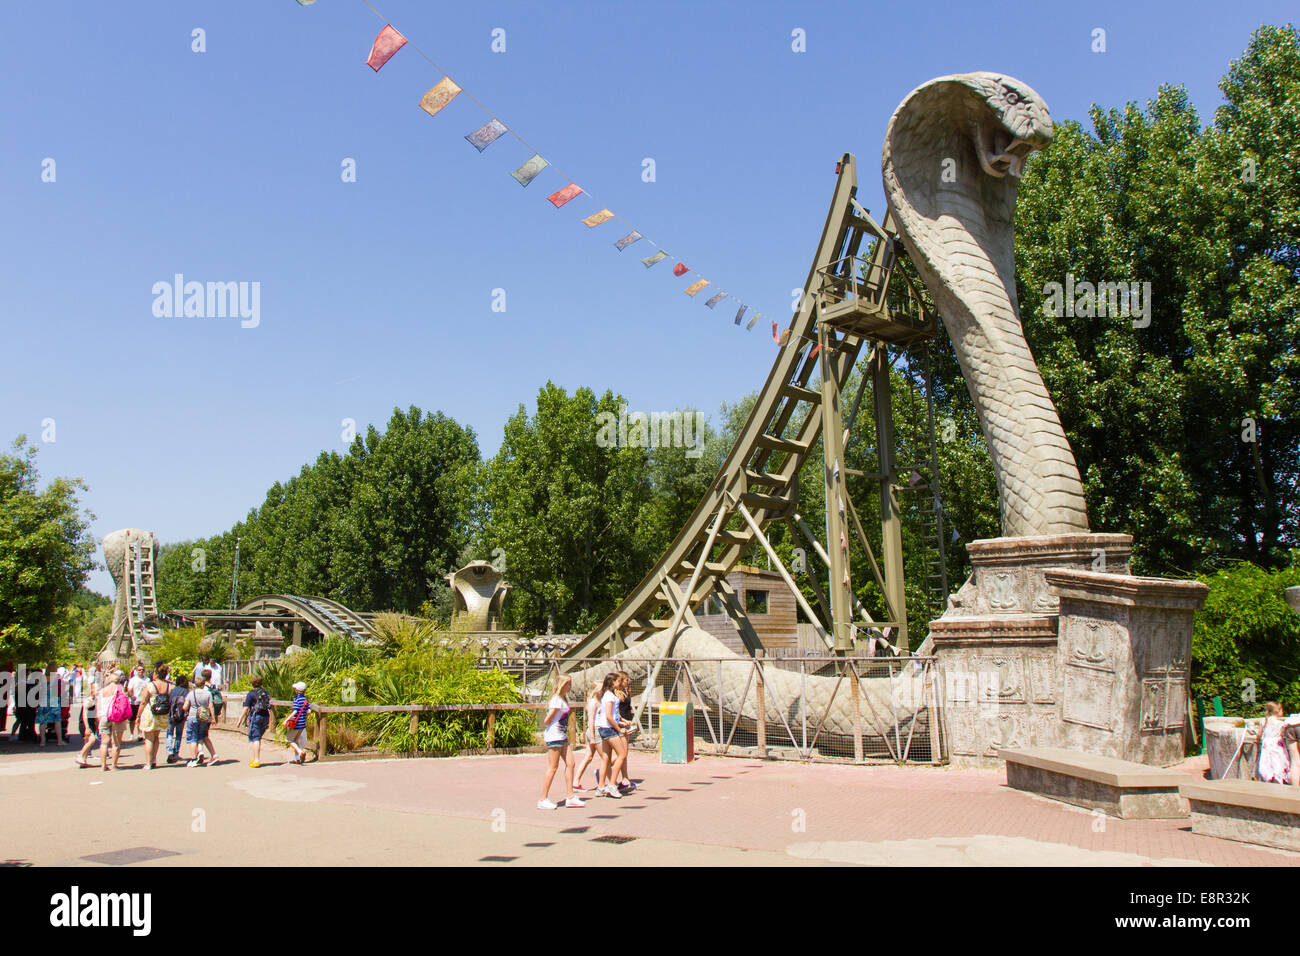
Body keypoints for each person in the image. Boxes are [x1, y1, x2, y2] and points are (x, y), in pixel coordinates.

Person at [538, 674, 583, 810]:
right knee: (553, 767)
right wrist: (552, 715)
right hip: (554, 736)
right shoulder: (556, 700)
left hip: (562, 736)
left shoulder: (563, 699)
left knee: (571, 763)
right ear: (562, 685)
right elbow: (547, 720)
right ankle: (543, 799)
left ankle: (570, 796)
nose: (570, 686)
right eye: (568, 684)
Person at [595, 673, 631, 799]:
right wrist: (619, 729)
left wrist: (622, 721)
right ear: (612, 683)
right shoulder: (609, 696)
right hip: (609, 729)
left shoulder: (609, 695)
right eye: (617, 681)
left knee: (606, 757)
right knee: (622, 755)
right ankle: (611, 784)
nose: (619, 683)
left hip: (606, 728)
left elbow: (614, 714)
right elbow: (609, 716)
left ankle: (600, 786)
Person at [138, 664, 172, 770]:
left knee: (149, 738)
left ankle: (148, 762)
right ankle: (153, 759)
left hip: (151, 713)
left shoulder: (150, 685)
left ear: (156, 674)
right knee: (156, 737)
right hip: (162, 714)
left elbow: (143, 702)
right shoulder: (169, 686)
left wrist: (138, 715)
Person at [236, 675, 273, 768]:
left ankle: (256, 759)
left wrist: (240, 719)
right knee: (259, 737)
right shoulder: (265, 692)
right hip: (265, 716)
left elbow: (246, 707)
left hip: (255, 716)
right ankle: (255, 758)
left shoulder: (251, 694)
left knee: (255, 738)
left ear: (252, 683)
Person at [96, 671, 130, 771]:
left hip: (104, 716)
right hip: (117, 717)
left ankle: (103, 765)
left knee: (104, 742)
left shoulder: (102, 691)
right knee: (116, 743)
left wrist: (99, 718)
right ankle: (114, 765)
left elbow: (99, 706)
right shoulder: (120, 689)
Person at [574, 682, 604, 791]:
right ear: (596, 690)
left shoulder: (600, 701)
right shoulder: (593, 703)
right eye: (601, 688)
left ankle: (576, 781)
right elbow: (591, 720)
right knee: (606, 758)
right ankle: (603, 777)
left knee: (588, 757)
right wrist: (592, 736)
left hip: (597, 730)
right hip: (595, 731)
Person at [184, 674, 218, 768]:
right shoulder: (208, 694)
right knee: (202, 736)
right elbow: (211, 706)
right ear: (203, 684)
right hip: (203, 717)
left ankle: (193, 758)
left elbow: (185, 706)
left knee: (193, 738)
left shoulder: (191, 693)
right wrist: (213, 718)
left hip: (192, 716)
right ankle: (201, 752)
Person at [614, 671, 638, 793]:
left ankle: (625, 778)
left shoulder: (626, 692)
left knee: (624, 754)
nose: (628, 682)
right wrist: (621, 722)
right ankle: (605, 769)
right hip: (619, 724)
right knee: (622, 754)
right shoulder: (616, 694)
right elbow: (616, 711)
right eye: (626, 680)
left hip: (626, 722)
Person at [1257, 701, 1291, 784]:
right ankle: (1278, 778)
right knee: (1278, 761)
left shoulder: (1264, 721)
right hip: (1277, 745)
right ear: (1277, 711)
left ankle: (1269, 777)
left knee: (1267, 762)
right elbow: (1284, 735)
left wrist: (1258, 740)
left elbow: (1259, 734)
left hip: (1267, 744)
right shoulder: (1281, 723)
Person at [75, 668, 100, 767]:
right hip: (85, 723)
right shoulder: (88, 700)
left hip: (91, 722)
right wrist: (87, 727)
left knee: (87, 741)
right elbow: (84, 715)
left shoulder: (95, 699)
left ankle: (83, 761)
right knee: (92, 740)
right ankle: (80, 755)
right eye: (96, 690)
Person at [34, 666, 63, 747]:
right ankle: (59, 740)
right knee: (57, 721)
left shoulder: (42, 679)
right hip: (54, 701)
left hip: (43, 701)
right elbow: (59, 691)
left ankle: (42, 741)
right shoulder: (56, 679)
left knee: (43, 722)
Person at [166, 674, 190, 763]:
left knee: (169, 733)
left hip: (172, 714)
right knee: (179, 734)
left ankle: (169, 750)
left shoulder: (173, 690)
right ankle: (176, 752)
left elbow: (169, 701)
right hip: (181, 715)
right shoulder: (186, 691)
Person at [286, 681, 311, 764]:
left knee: (290, 740)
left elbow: (295, 711)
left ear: (297, 690)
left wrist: (287, 719)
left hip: (296, 723)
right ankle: (297, 759)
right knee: (296, 740)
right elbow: (309, 711)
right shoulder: (305, 700)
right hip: (302, 723)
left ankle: (300, 752)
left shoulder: (296, 699)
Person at [125, 664, 148, 741]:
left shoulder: (147, 680)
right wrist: (131, 696)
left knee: (141, 718)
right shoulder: (133, 680)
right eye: (139, 670)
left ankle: (140, 733)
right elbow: (129, 689)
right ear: (136, 671)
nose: (141, 671)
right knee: (132, 719)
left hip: (143, 702)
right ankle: (131, 734)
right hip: (134, 702)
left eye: (142, 670)